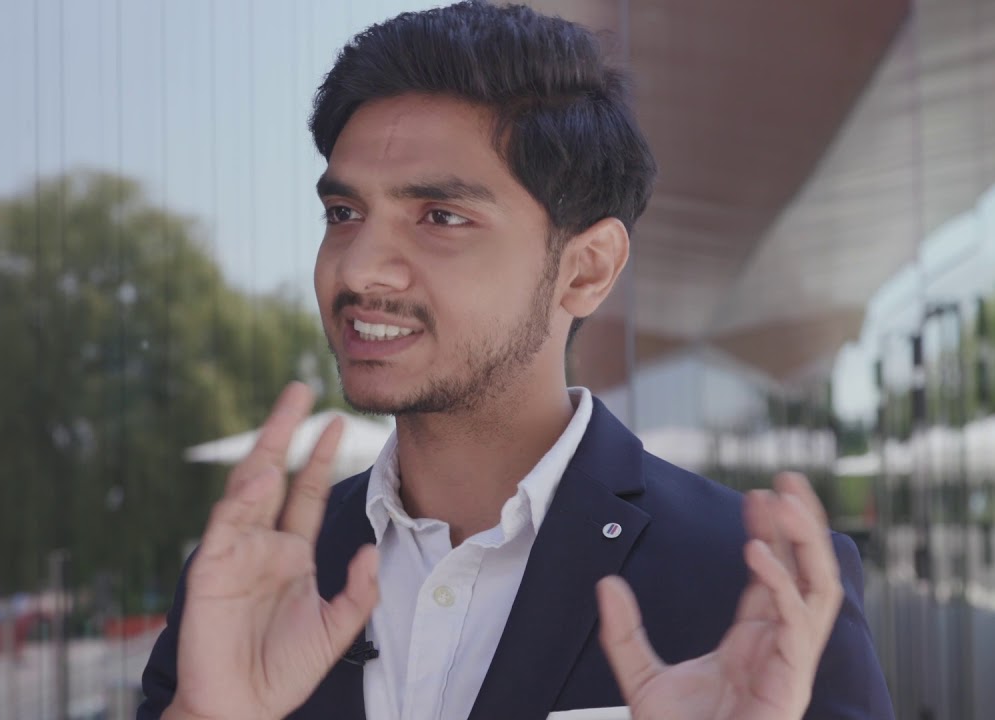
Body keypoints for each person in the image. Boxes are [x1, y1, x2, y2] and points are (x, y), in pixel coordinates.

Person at [138, 2, 894, 718]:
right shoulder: (255, 581)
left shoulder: (752, 587)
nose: (361, 267)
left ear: (587, 269)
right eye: (344, 214)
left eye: (440, 216)